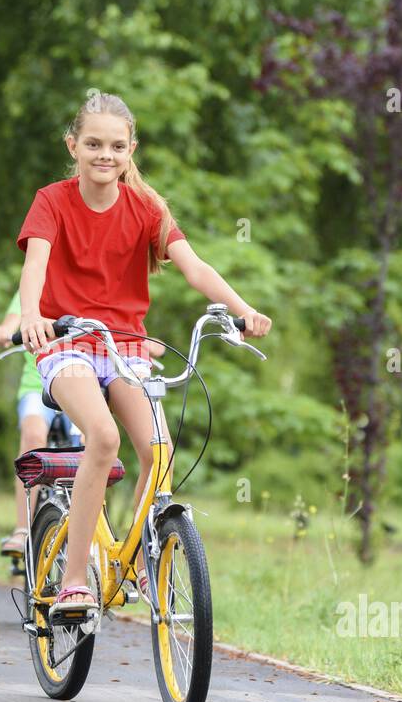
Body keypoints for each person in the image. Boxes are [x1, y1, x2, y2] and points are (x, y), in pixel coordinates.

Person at [16, 93, 271, 614]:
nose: (104, 155)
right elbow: (35, 266)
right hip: (67, 344)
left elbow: (195, 267)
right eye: (92, 144)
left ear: (131, 150)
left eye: (115, 145)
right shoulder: (52, 201)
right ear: (74, 146)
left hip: (125, 346)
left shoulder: (146, 209)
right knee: (104, 438)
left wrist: (243, 312)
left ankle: (133, 560)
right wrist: (30, 316)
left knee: (160, 454)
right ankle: (74, 578)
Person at [0, 291, 164, 557]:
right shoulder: (33, 289)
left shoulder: (92, 288)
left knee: (92, 443)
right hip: (39, 381)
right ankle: (22, 528)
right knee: (34, 434)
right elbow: (16, 318)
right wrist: (4, 331)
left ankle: (93, 533)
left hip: (85, 377)